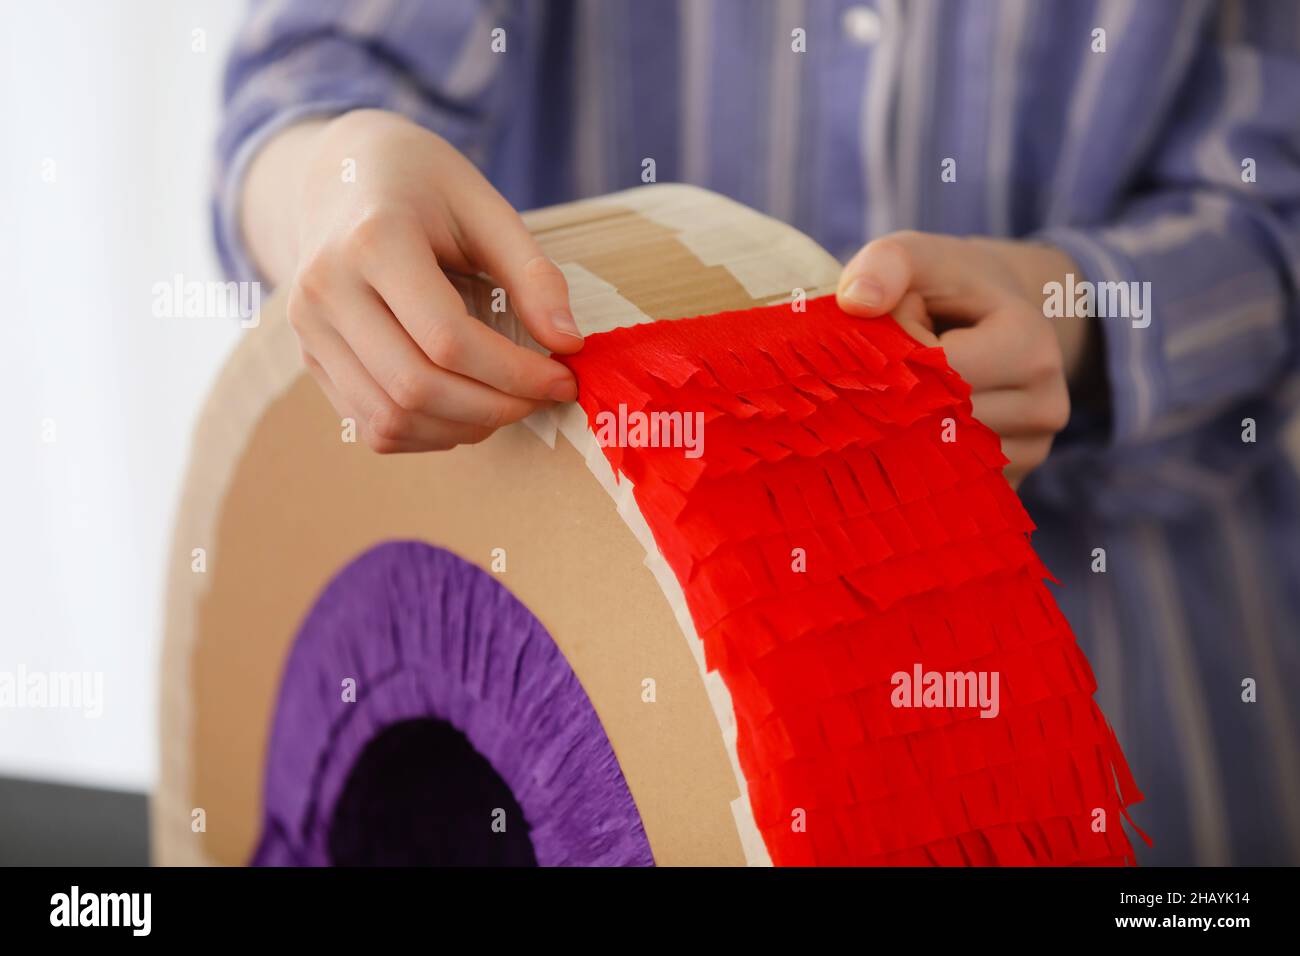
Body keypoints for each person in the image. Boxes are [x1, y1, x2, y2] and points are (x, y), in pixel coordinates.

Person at [215, 0, 1300, 865]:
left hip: (1152, 694)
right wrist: (332, 181)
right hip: (579, 732)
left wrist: (1076, 314)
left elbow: (1275, 214)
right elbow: (301, 92)